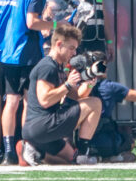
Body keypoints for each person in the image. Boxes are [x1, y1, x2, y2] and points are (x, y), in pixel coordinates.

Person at [0, 0, 53, 166]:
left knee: (11, 101)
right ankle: (26, 149)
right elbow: (32, 22)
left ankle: (7, 151)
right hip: (27, 50)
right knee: (28, 101)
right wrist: (56, 24)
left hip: (5, 51)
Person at [20, 23, 101, 166]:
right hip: (42, 125)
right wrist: (68, 84)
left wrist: (88, 83)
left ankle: (36, 151)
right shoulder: (47, 66)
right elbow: (45, 100)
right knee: (96, 103)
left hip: (40, 130)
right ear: (59, 44)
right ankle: (83, 153)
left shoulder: (59, 67)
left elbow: (77, 97)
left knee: (70, 159)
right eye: (71, 48)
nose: (74, 53)